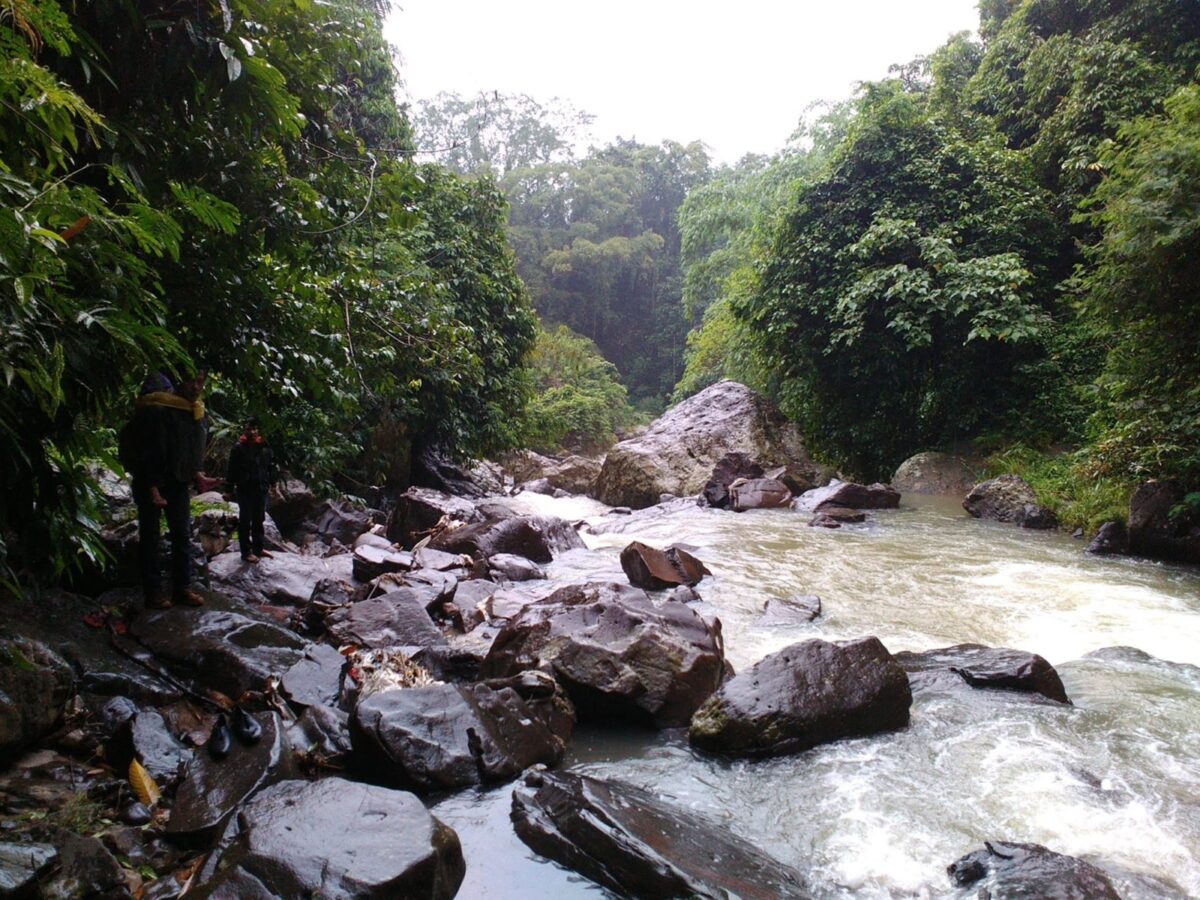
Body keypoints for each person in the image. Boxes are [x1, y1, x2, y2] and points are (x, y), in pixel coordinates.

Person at [124, 369, 220, 609]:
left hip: (177, 482)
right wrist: (153, 486)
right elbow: (151, 449)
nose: (196, 387)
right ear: (180, 381)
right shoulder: (159, 409)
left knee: (182, 535)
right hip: (150, 482)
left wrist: (196, 473)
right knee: (151, 537)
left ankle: (182, 589)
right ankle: (153, 592)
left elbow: (185, 449)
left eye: (200, 381)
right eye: (191, 381)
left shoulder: (192, 410)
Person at [225, 416, 276, 563]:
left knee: (259, 519)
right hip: (245, 489)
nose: (252, 432)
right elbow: (231, 470)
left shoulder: (265, 447)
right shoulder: (238, 448)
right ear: (244, 430)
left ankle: (258, 549)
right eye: (249, 429)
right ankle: (246, 552)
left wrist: (273, 485)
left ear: (258, 430)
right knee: (245, 521)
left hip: (261, 488)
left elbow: (270, 467)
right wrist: (228, 489)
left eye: (254, 429)